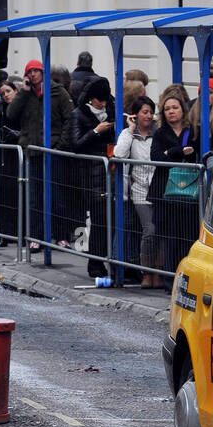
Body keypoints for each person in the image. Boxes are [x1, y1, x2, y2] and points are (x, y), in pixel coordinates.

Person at [6, 59, 75, 250]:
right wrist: (23, 93)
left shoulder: (58, 92)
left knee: (57, 197)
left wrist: (60, 144)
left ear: (43, 72)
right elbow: (11, 114)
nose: (34, 74)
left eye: (37, 71)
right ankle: (36, 237)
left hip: (53, 151)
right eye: (31, 71)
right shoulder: (25, 94)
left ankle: (62, 236)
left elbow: (69, 118)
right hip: (33, 152)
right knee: (35, 198)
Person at [70, 77, 117, 278]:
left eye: (105, 100)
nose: (103, 104)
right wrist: (96, 131)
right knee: (99, 220)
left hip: (110, 172)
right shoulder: (78, 114)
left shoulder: (113, 110)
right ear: (91, 98)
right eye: (99, 100)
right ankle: (95, 262)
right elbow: (76, 143)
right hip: (90, 174)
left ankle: (108, 261)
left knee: (111, 220)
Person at [115, 96, 162, 287]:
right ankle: (146, 271)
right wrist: (130, 130)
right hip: (140, 189)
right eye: (144, 112)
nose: (149, 116)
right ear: (135, 115)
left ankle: (157, 273)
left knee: (160, 231)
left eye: (151, 112)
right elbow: (119, 154)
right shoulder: (129, 134)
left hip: (158, 188)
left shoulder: (158, 132)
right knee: (149, 230)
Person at [153, 85, 198, 278]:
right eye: (167, 108)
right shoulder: (160, 133)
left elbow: (198, 154)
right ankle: (169, 278)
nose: (171, 111)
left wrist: (169, 154)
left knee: (188, 236)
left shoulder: (193, 131)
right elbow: (156, 158)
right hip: (165, 191)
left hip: (190, 192)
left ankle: (186, 276)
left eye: (175, 107)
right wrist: (176, 152)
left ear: (183, 110)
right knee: (169, 237)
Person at [0, 74, 22, 247]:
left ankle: (17, 232)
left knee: (16, 195)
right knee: (2, 196)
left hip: (15, 157)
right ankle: (4, 233)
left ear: (16, 91)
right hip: (2, 157)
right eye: (3, 93)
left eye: (8, 91)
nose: (6, 95)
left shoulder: (20, 109)